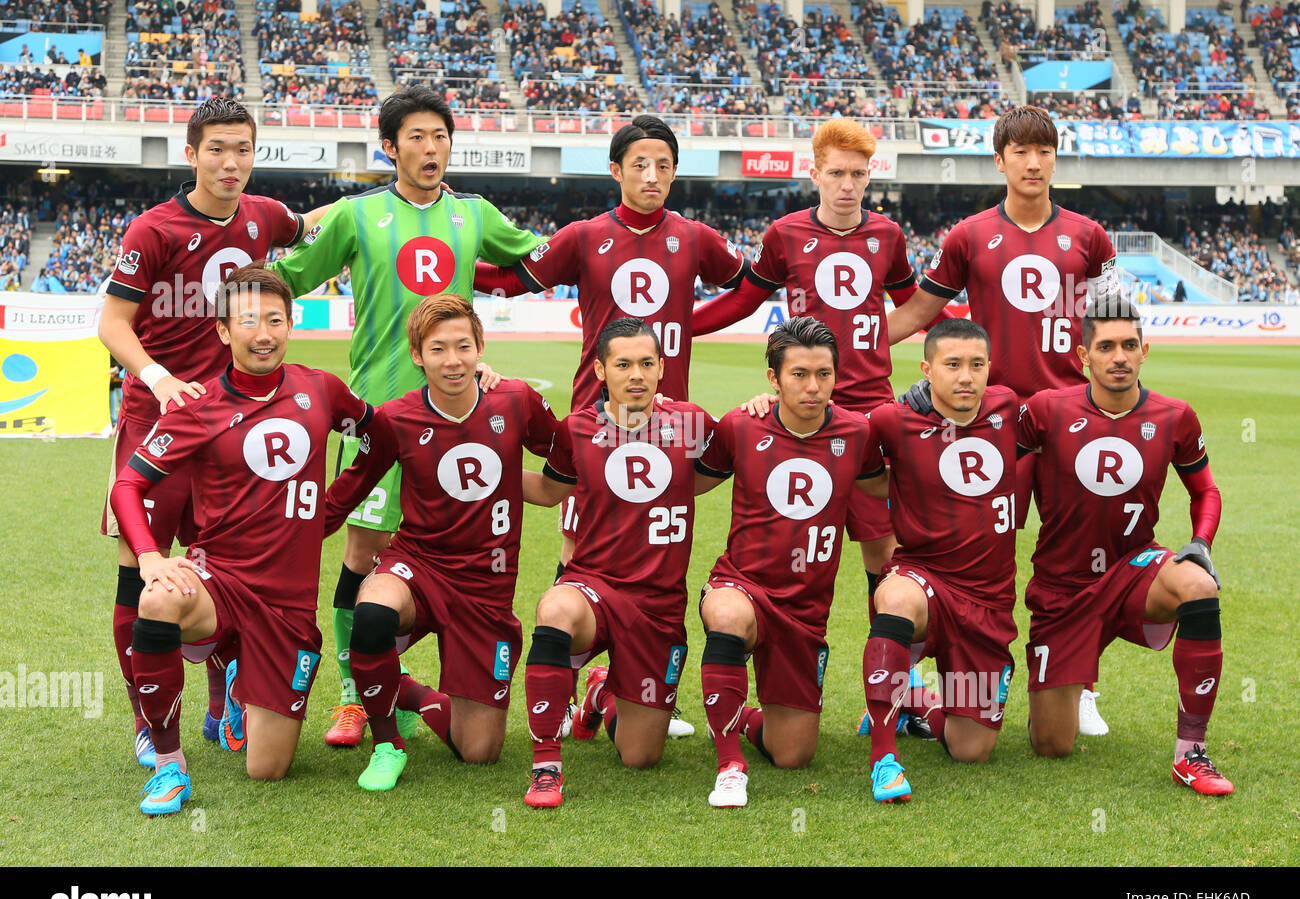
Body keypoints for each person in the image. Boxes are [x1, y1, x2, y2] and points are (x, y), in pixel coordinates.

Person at [268, 85, 545, 747]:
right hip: (377, 423)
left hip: (458, 421)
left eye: (440, 136)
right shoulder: (358, 217)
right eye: (416, 137)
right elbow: (288, 279)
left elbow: (533, 262)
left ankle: (442, 682)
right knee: (362, 555)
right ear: (389, 147)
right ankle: (352, 697)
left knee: (455, 550)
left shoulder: (475, 213)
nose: (430, 148)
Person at [98, 97, 326, 769]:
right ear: (190, 153)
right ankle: (148, 720)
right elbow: (112, 324)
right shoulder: (153, 229)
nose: (231, 163)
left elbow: (309, 227)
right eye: (217, 149)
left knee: (224, 570)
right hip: (157, 426)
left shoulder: (264, 217)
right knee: (141, 578)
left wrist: (388, 197)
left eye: (243, 149)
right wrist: (160, 378)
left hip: (233, 432)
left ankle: (220, 703)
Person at [887, 104, 1119, 734]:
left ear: (1055, 158)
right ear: (1000, 160)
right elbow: (916, 315)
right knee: (981, 555)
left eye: (1044, 150)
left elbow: (1111, 325)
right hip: (994, 425)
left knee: (1079, 559)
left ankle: (1079, 683)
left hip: (1074, 423)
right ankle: (931, 683)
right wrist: (839, 356)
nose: (1034, 162)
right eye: (1021, 151)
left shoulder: (1090, 238)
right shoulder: (967, 237)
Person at [108, 266, 373, 815]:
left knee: (267, 770)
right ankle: (167, 764)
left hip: (287, 608)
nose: (264, 333)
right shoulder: (196, 405)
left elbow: (380, 439)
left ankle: (238, 668)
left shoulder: (321, 389)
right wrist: (152, 555)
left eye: (275, 319)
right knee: (154, 599)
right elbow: (129, 486)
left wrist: (334, 507)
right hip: (220, 581)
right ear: (224, 331)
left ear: (291, 324)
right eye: (248, 321)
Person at [691, 118, 954, 612]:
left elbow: (918, 307)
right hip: (801, 410)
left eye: (857, 174)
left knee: (886, 549)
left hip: (871, 411)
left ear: (870, 175)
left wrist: (892, 338)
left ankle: (896, 667)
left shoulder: (886, 234)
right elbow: (745, 301)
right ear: (814, 174)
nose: (847, 185)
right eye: (836, 173)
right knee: (786, 543)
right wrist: (679, 327)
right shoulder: (785, 233)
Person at [474, 114, 745, 572]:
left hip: (669, 415)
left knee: (657, 542)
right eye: (640, 164)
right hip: (593, 412)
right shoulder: (583, 236)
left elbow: (750, 285)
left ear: (675, 171)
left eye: (663, 164)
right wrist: (450, 259)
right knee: (578, 540)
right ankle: (566, 630)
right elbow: (512, 281)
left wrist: (691, 325)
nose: (652, 175)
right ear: (616, 170)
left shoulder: (696, 236)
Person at [322, 294, 556, 790]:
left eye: (463, 347)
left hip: (485, 587)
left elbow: (568, 451)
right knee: (373, 611)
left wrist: (633, 416)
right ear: (417, 355)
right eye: (438, 349)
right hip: (418, 565)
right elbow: (349, 489)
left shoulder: (516, 401)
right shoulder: (394, 418)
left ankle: (406, 692)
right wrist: (293, 529)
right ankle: (388, 742)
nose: (452, 360)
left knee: (480, 753)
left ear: (480, 347)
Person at [1017, 296, 1232, 794]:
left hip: (1136, 568)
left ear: (1145, 351)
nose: (1119, 356)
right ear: (1082, 356)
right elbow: (995, 461)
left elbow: (1206, 490)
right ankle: (1069, 684)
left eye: (1129, 345)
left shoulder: (1176, 416)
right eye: (1106, 346)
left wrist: (1200, 542)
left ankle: (1190, 753)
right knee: (1052, 744)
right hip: (1061, 587)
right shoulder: (1045, 410)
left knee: (1198, 586)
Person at [518, 318, 717, 808]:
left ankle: (600, 696)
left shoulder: (692, 424)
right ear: (601, 371)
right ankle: (547, 765)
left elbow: (729, 464)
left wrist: (763, 405)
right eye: (623, 364)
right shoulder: (579, 428)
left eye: (646, 363)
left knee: (640, 756)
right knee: (556, 609)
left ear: (662, 368)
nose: (636, 374)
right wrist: (480, 464)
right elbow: (548, 491)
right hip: (594, 588)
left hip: (658, 606)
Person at [692, 317, 883, 808]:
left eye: (824, 374)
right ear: (773, 380)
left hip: (805, 610)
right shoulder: (739, 425)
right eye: (798, 374)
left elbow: (889, 485)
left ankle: (745, 716)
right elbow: (687, 483)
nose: (813, 387)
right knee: (729, 617)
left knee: (792, 753)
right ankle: (729, 765)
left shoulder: (858, 434)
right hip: (742, 587)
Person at [857, 319, 1023, 803]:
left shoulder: (1010, 408)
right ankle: (884, 761)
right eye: (952, 365)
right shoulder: (891, 421)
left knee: (970, 749)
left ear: (990, 368)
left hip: (989, 605)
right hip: (926, 580)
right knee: (895, 596)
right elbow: (840, 445)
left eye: (976, 365)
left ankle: (916, 703)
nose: (966, 377)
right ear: (927, 369)